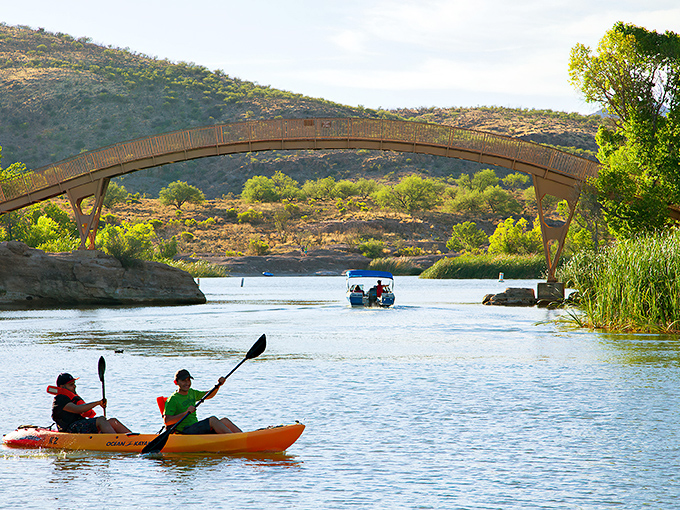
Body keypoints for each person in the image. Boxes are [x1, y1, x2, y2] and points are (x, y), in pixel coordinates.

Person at [163, 369, 242, 434]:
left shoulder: (192, 392)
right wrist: (185, 413)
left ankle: (243, 437)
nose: (187, 383)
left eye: (188, 380)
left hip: (195, 427)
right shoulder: (173, 399)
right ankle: (235, 439)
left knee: (225, 421)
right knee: (213, 420)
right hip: (184, 431)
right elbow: (167, 421)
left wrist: (218, 386)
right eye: (183, 381)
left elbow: (208, 395)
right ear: (176, 382)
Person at [51, 373, 131, 434]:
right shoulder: (60, 399)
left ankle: (133, 438)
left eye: (74, 384)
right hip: (70, 429)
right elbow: (77, 409)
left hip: (80, 426)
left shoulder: (72, 397)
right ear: (62, 386)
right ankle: (115, 442)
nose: (74, 386)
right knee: (101, 420)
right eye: (71, 385)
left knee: (113, 421)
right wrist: (98, 403)